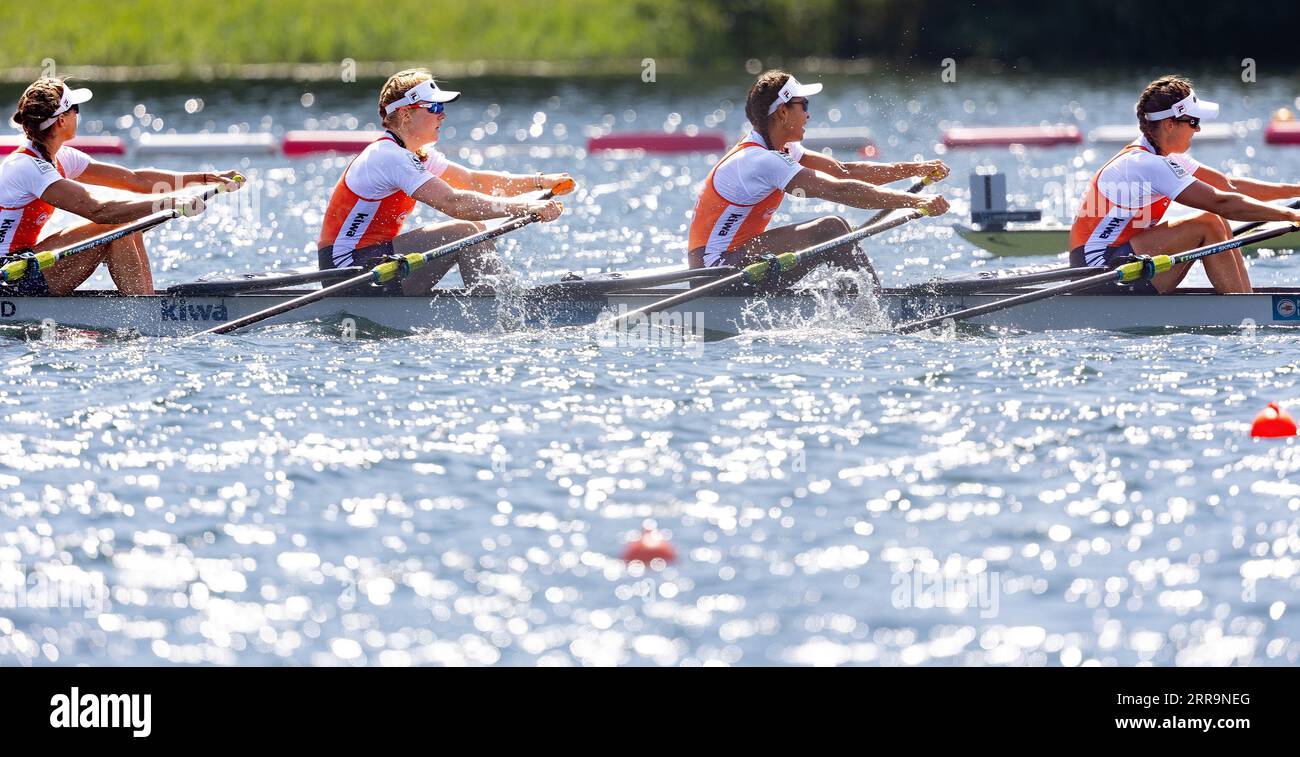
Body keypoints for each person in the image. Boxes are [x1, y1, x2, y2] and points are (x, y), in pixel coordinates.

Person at [317, 69, 572, 294]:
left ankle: (499, 301)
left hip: (375, 262)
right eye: (435, 108)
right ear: (406, 115)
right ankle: (500, 310)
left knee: (477, 231)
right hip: (347, 270)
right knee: (465, 231)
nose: (443, 116)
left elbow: (473, 182)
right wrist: (528, 208)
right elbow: (454, 203)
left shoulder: (415, 154)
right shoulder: (389, 156)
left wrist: (541, 182)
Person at [687, 69, 950, 287]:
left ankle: (858, 301)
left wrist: (915, 169)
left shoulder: (780, 148)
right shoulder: (760, 160)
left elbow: (844, 171)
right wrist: (914, 201)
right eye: (804, 105)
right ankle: (874, 308)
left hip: (735, 261)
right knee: (831, 229)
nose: (808, 114)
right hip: (715, 271)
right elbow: (840, 190)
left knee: (835, 233)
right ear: (782, 112)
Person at [3, 78, 243, 295]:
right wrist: (169, 202)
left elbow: (135, 180)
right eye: (75, 109)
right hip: (9, 279)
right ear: (62, 120)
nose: (78, 115)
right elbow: (98, 209)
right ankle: (144, 314)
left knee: (128, 221)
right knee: (116, 224)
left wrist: (203, 178)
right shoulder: (27, 166)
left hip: (24, 264)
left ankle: (144, 300)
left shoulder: (61, 157)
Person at [1069, 75, 1300, 294]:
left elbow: (1230, 187)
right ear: (1170, 124)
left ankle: (1244, 300)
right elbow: (1222, 202)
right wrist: (1290, 215)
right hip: (1097, 271)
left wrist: (1296, 191)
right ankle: (1244, 310)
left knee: (1216, 221)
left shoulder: (1164, 156)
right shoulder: (1146, 164)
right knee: (1208, 222)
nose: (1198, 129)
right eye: (1193, 121)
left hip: (1123, 261)